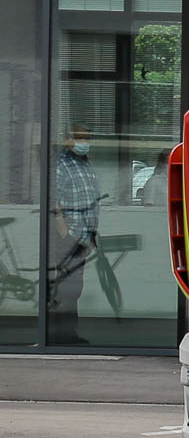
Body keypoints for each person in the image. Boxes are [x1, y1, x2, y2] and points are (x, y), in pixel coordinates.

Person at [49, 126, 102, 344]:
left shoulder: (85, 163)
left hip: (83, 237)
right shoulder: (62, 164)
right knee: (65, 287)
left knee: (74, 288)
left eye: (86, 138)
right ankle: (58, 336)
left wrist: (90, 235)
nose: (84, 142)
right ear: (68, 140)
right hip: (69, 238)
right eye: (79, 138)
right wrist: (65, 234)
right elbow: (53, 200)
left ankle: (69, 334)